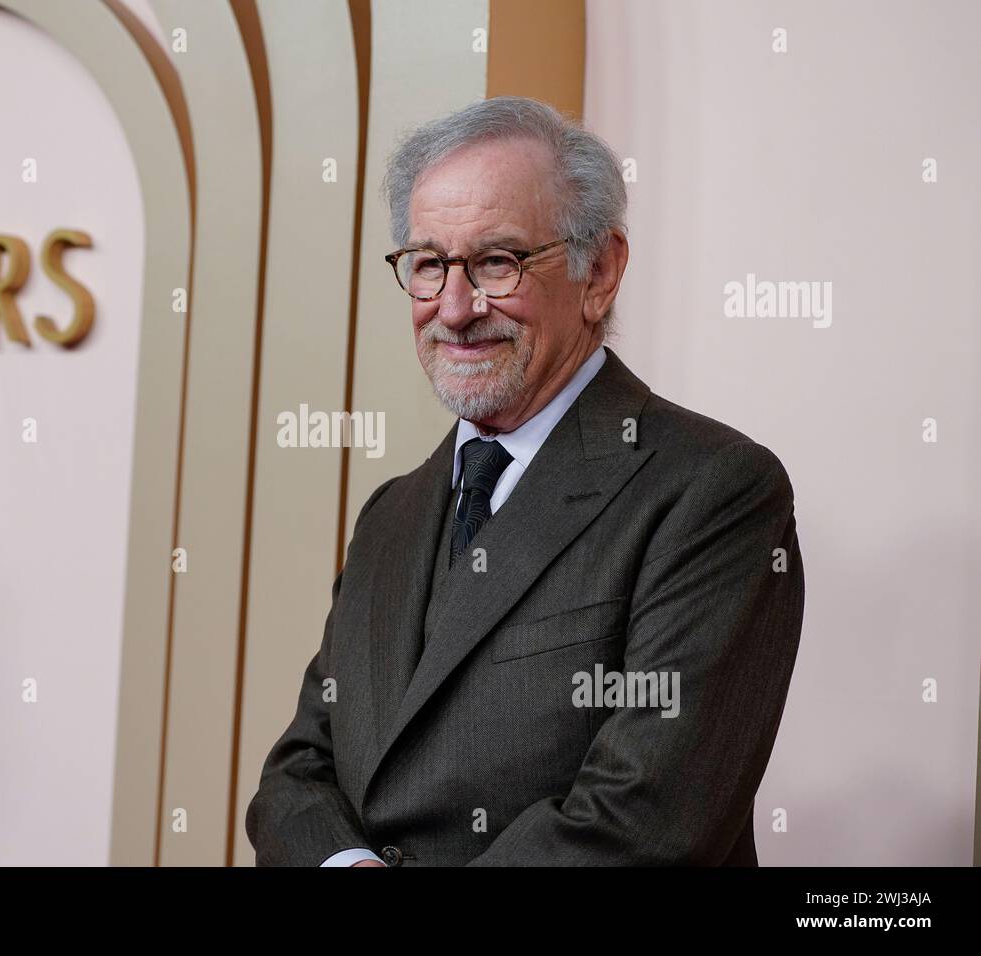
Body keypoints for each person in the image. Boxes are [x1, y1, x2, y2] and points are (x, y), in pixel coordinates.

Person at [245, 96, 804, 866]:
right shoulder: (390, 513)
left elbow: (642, 822)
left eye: (497, 262)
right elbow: (296, 776)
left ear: (599, 271)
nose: (454, 306)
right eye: (429, 264)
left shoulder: (714, 491)